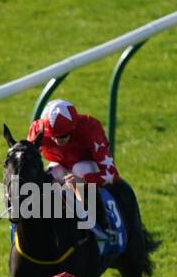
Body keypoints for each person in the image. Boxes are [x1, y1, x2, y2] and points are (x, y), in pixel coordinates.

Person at [27, 99, 131, 249]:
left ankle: (99, 226)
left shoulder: (90, 127)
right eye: (53, 136)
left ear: (73, 128)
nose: (57, 140)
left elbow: (111, 174)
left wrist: (84, 181)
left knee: (79, 169)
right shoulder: (38, 129)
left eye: (62, 136)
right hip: (60, 166)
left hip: (88, 166)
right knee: (48, 176)